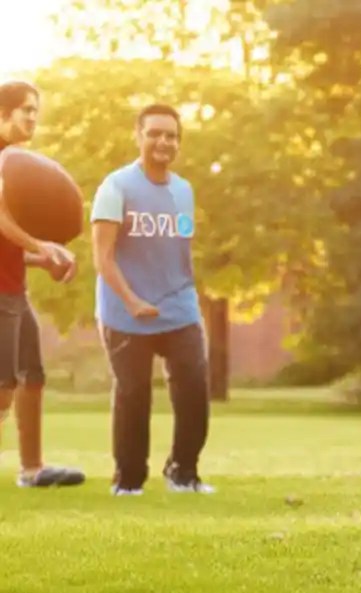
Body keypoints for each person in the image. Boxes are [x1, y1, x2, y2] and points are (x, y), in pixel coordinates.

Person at [90, 104, 212, 496]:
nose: (163, 141)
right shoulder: (116, 187)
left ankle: (184, 472)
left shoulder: (184, 190)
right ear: (138, 136)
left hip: (178, 307)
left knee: (194, 389)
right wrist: (131, 301)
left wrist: (189, 295)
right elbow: (102, 257)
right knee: (133, 395)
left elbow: (181, 246)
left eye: (171, 135)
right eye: (155, 133)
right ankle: (128, 480)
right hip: (127, 312)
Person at [0, 80, 83, 488]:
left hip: (12, 285)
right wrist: (41, 245)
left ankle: (32, 469)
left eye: (36, 110)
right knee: (2, 385)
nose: (33, 117)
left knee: (32, 373)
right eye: (25, 110)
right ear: (4, 114)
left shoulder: (16, 166)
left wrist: (41, 258)